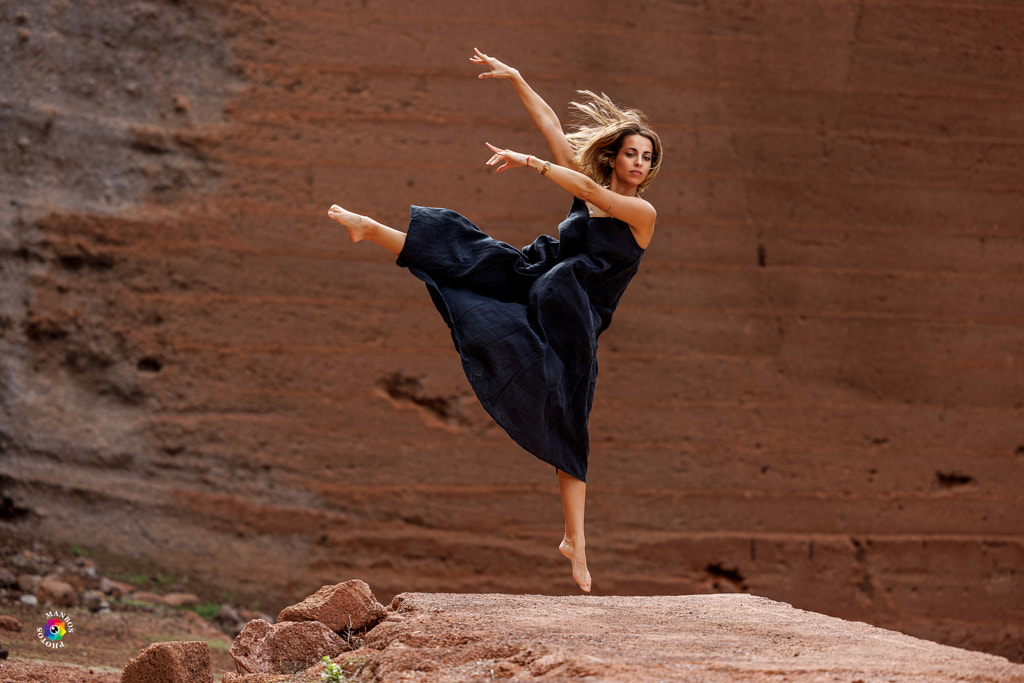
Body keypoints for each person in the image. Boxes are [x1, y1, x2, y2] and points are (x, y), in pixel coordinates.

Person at [327, 48, 662, 593]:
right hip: (543, 276)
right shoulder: (588, 181)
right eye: (631, 153)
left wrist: (531, 163)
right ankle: (370, 228)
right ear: (616, 155)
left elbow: (589, 192)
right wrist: (518, 79)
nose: (639, 163)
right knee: (472, 257)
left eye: (647, 157)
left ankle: (575, 541)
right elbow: (554, 126)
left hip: (574, 320)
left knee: (567, 417)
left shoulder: (641, 214)